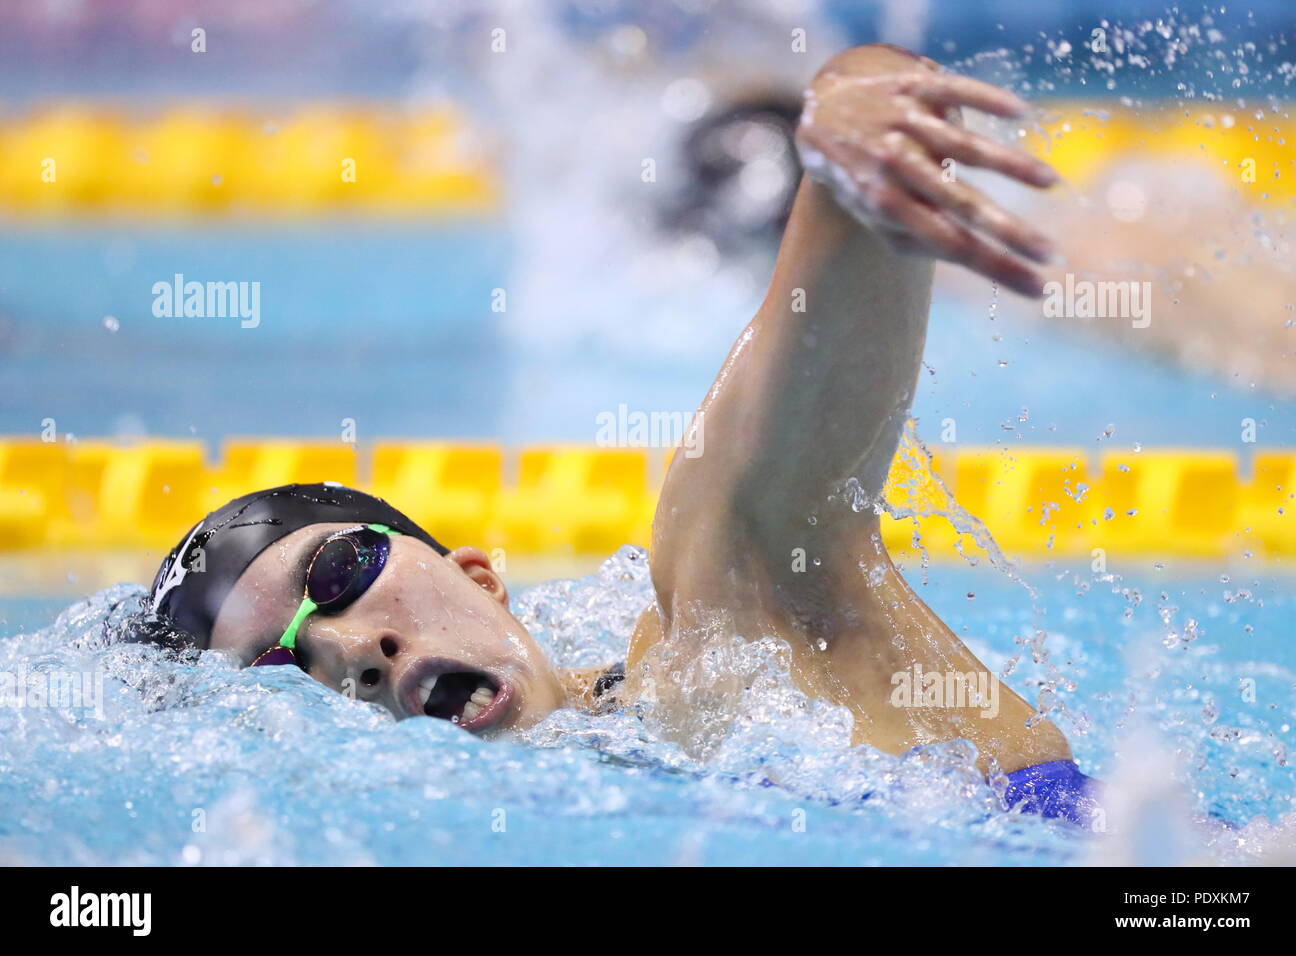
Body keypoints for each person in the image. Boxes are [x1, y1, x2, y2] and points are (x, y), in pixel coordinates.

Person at [146, 44, 1098, 824]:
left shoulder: (729, 633)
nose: (351, 652)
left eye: (340, 574)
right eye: (284, 668)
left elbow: (872, 185)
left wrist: (852, 107)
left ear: (477, 572)